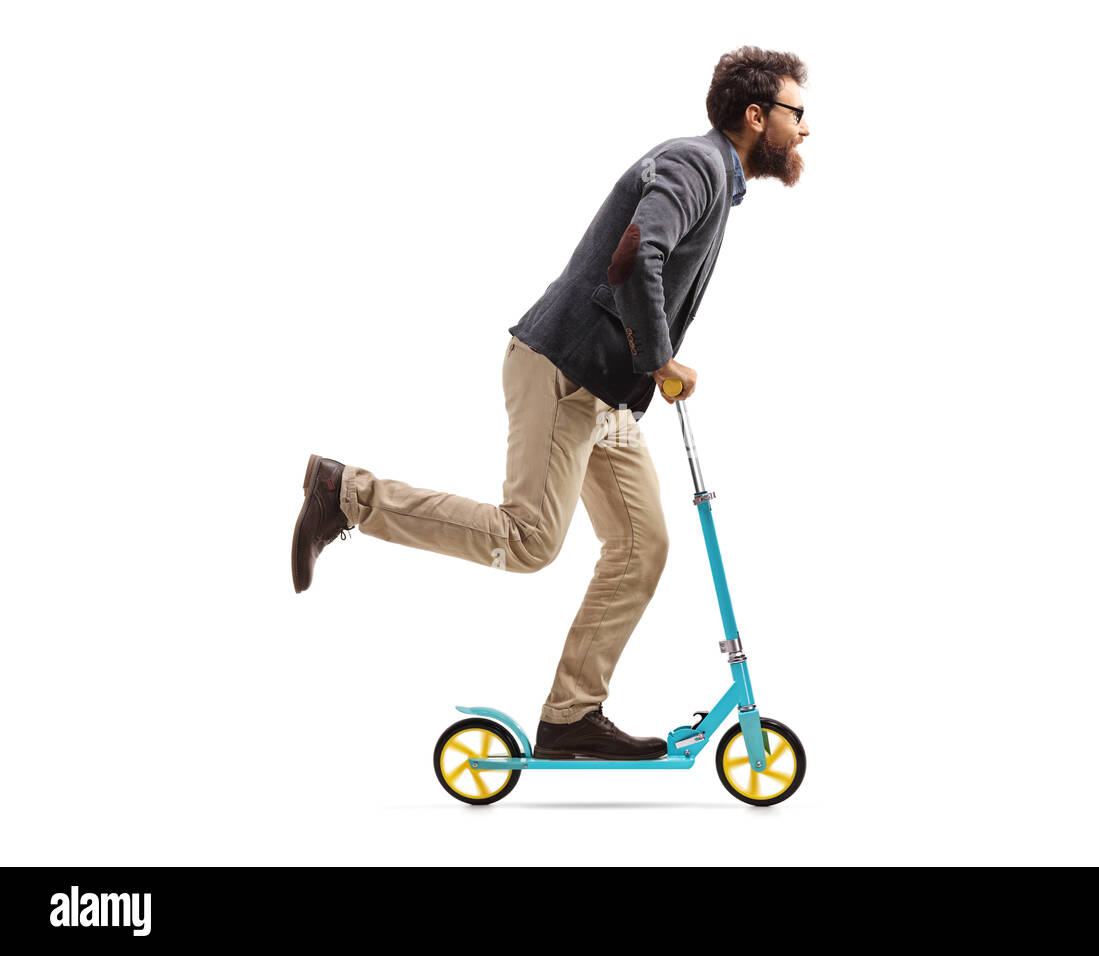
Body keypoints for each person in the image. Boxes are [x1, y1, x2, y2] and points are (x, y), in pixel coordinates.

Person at [291, 46, 809, 760]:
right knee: (527, 540)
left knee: (642, 544)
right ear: (757, 117)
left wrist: (641, 375)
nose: (804, 129)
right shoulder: (696, 165)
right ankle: (344, 493)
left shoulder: (717, 180)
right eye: (796, 112)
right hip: (563, 372)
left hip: (605, 398)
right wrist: (660, 359)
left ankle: (571, 717)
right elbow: (638, 253)